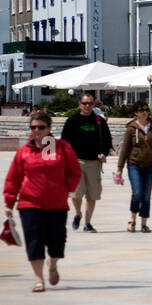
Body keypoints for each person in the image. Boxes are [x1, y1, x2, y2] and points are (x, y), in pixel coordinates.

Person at [4, 111, 81, 292]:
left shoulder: (61, 147)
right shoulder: (24, 151)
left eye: (41, 127)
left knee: (57, 242)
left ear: (49, 129)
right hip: (30, 204)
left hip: (57, 204)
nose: (36, 131)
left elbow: (75, 171)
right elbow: (13, 178)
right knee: (34, 240)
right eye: (33, 127)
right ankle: (39, 279)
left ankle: (52, 265)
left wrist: (65, 189)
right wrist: (9, 202)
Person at [62, 93, 114, 233]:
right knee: (76, 194)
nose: (87, 106)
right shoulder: (72, 121)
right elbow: (64, 141)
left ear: (93, 105)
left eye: (90, 103)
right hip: (76, 162)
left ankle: (87, 223)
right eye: (84, 103)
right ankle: (78, 213)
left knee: (92, 194)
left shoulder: (99, 121)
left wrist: (104, 152)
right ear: (80, 104)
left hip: (94, 162)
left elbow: (107, 139)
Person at [114, 101, 152, 232]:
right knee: (137, 193)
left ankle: (144, 223)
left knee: (146, 195)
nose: (144, 112)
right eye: (141, 110)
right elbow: (125, 150)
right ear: (135, 113)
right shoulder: (131, 128)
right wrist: (119, 169)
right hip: (134, 165)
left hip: (150, 165)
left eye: (146, 109)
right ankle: (132, 220)